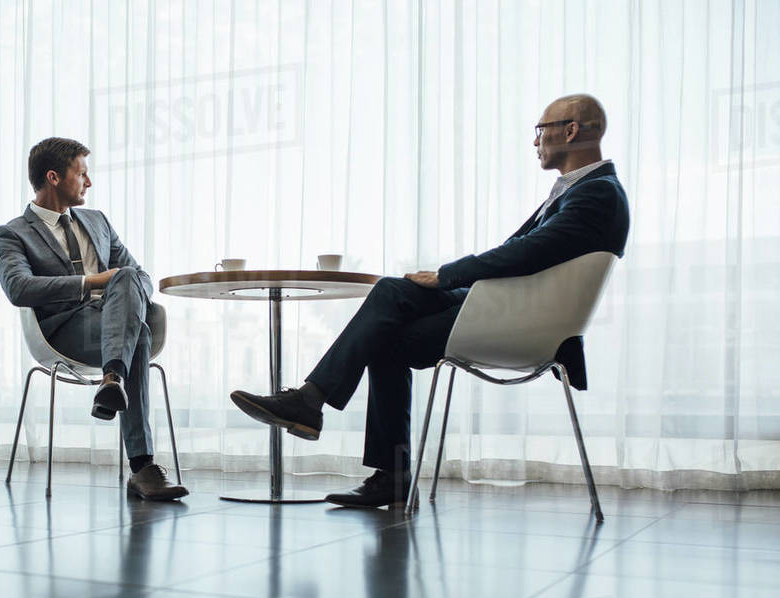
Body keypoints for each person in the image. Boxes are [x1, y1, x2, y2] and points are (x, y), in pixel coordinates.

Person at [230, 94, 630, 508]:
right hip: (502, 308)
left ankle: (337, 426)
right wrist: (445, 281)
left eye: (540, 130)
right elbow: (527, 254)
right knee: (391, 292)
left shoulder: (597, 193)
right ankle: (320, 410)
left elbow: (527, 252)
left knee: (383, 334)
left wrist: (446, 275)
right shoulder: (586, 190)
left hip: (520, 321)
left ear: (570, 131)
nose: (535, 141)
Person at [0, 137, 187, 501]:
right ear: (53, 177)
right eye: (81, 173)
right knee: (138, 334)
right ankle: (142, 467)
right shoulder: (12, 233)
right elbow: (18, 288)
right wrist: (93, 282)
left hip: (113, 323)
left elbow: (141, 278)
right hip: (65, 330)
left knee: (129, 289)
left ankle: (112, 380)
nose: (89, 182)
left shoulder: (98, 222)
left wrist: (122, 286)